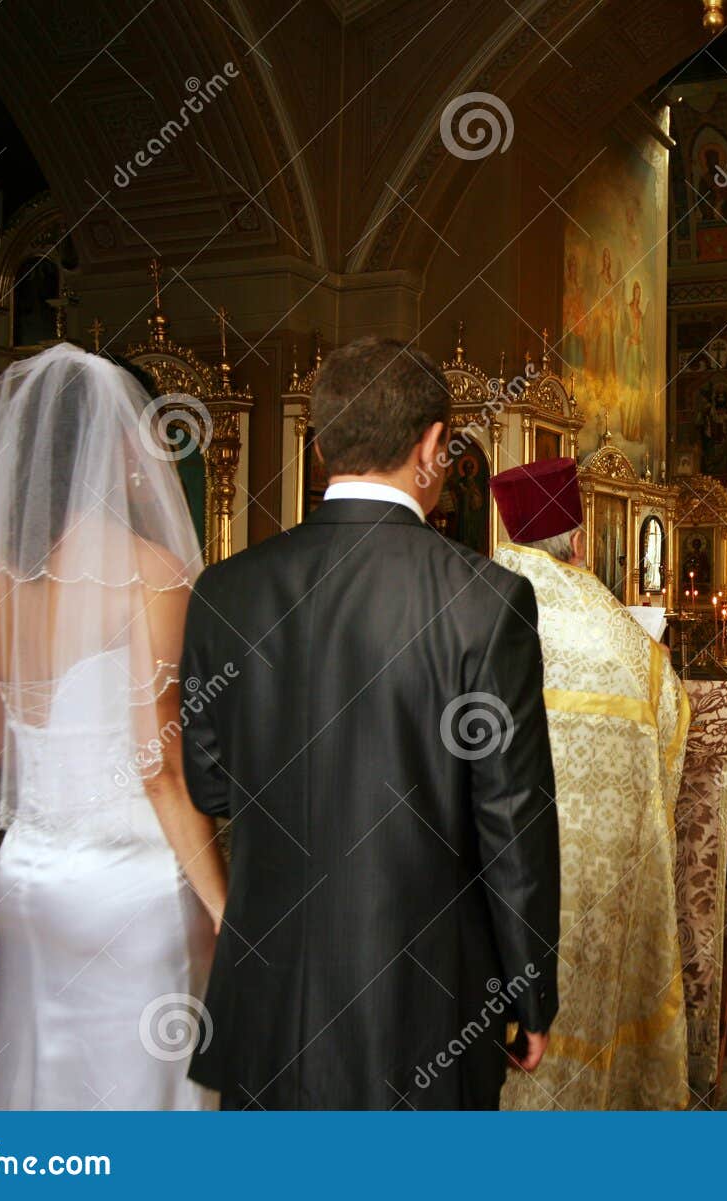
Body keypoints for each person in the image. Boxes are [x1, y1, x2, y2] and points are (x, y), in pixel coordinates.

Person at [181, 337, 560, 1110]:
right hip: (425, 1005)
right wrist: (530, 990)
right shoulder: (484, 601)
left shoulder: (226, 589)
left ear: (322, 444)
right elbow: (512, 818)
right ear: (430, 446)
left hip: (271, 997)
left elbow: (209, 782)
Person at [0, 344, 227, 1109]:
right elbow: (158, 767)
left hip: (28, 874)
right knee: (137, 1095)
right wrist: (225, 903)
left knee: (44, 1085)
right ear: (120, 442)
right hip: (126, 884)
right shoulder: (151, 572)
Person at [489, 458, 690, 1110]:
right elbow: (671, 733)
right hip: (600, 885)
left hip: (496, 877)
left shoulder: (470, 606)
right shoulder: (622, 638)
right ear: (578, 539)